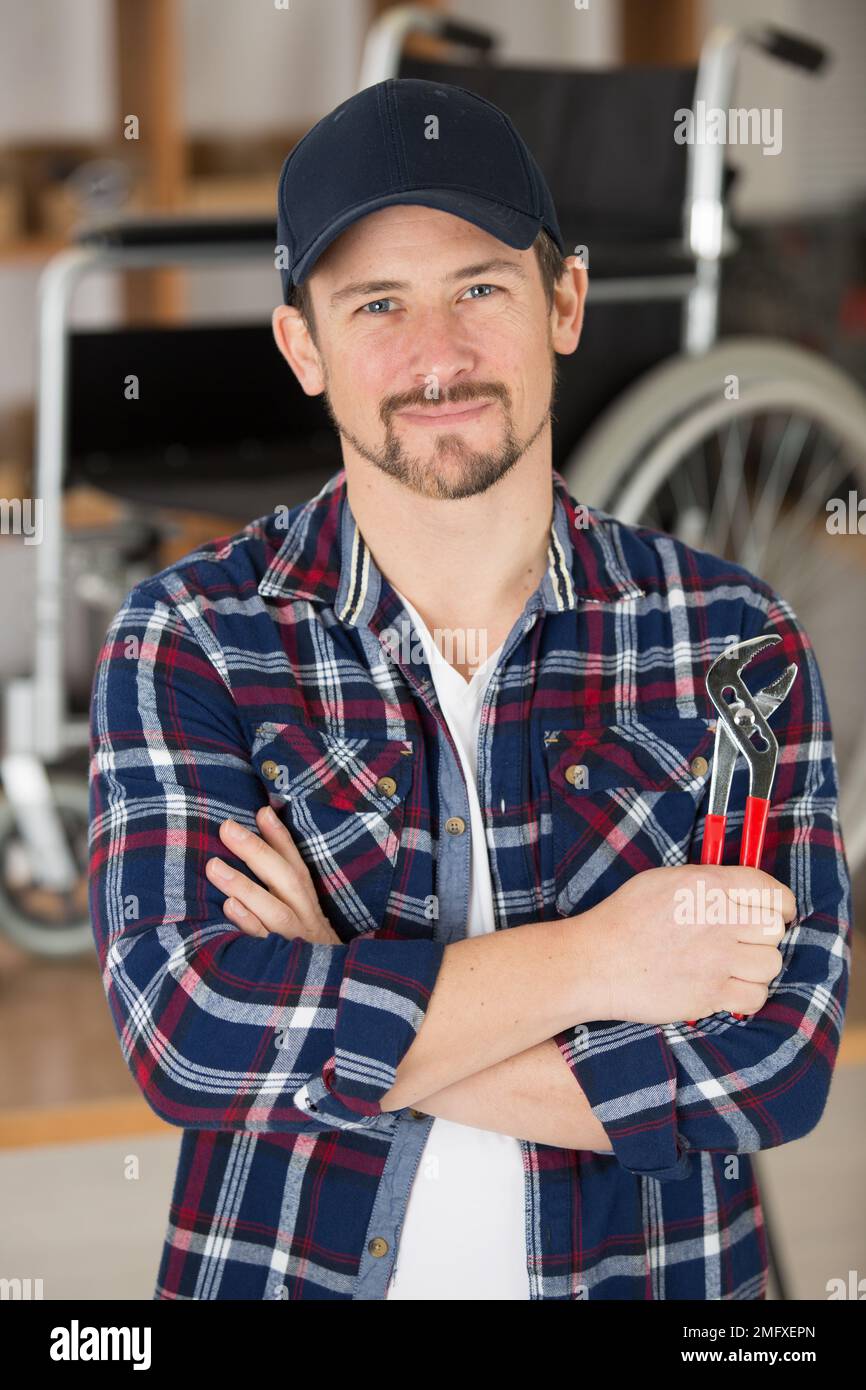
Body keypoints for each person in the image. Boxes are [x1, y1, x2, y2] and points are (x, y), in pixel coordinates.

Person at [88, 77, 851, 1301]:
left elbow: (772, 1068)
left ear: (565, 301)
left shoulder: (730, 640)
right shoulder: (195, 639)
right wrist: (603, 958)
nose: (435, 356)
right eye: (377, 303)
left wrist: (332, 971)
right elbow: (190, 1035)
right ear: (303, 346)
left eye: (480, 288)